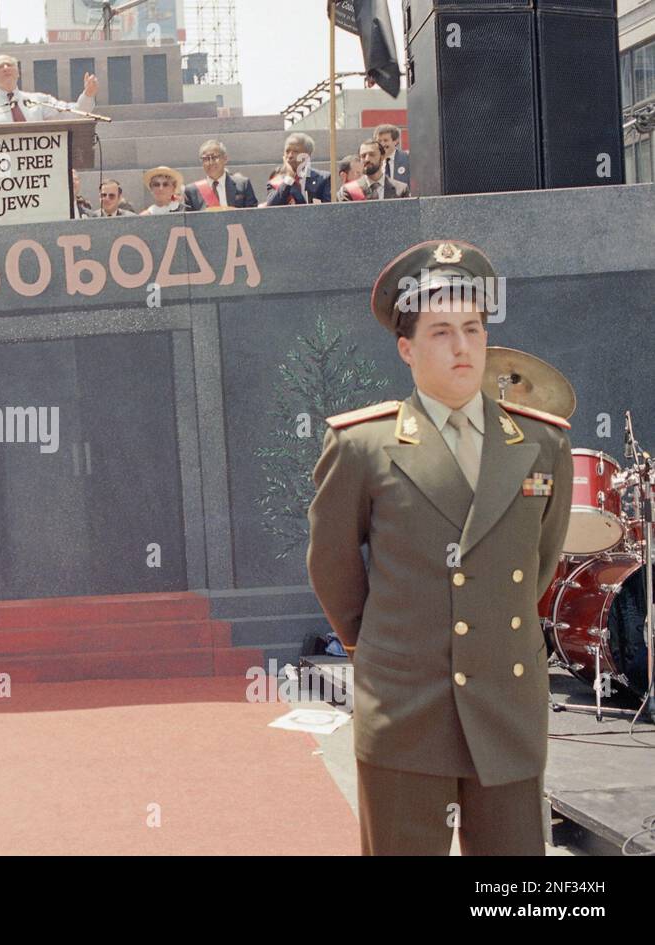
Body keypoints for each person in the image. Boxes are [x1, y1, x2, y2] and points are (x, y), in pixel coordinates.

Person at [306, 239, 573, 856]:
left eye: (473, 328)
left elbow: (537, 565)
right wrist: (380, 645)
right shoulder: (362, 446)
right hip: (407, 706)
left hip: (506, 704)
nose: (462, 347)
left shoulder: (541, 442)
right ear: (406, 347)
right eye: (441, 331)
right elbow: (333, 568)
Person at [183, 139, 257, 210]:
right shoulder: (192, 191)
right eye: (206, 159)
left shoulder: (243, 184)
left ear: (225, 159)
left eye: (214, 157)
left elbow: (253, 215)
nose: (210, 163)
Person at [265, 132, 331, 206]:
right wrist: (289, 179)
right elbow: (270, 208)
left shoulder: (323, 179)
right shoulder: (276, 182)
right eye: (287, 151)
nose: (289, 156)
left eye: (295, 152)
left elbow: (328, 211)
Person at [338, 139, 411, 202]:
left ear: (382, 157)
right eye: (363, 156)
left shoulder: (401, 190)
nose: (367, 159)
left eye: (372, 155)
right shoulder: (348, 191)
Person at [375, 123, 411, 191]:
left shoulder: (408, 159)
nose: (382, 144)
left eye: (386, 140)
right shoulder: (373, 162)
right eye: (379, 141)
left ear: (396, 141)